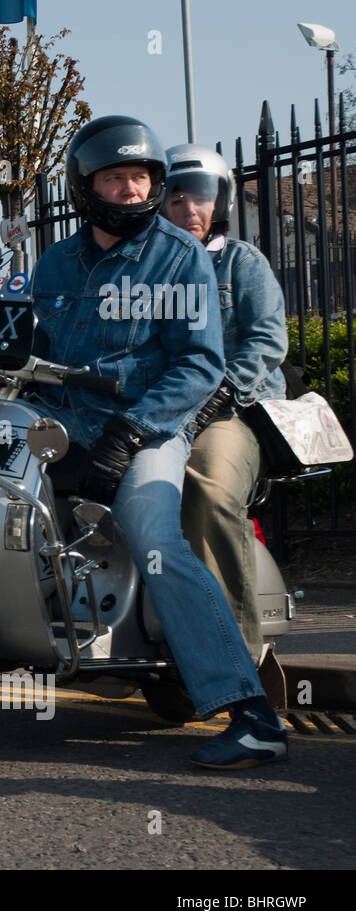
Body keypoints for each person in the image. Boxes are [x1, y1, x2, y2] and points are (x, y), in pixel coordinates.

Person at [28, 114, 287, 770]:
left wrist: (128, 433)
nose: (129, 190)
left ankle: (251, 712)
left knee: (156, 537)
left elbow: (200, 364)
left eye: (139, 177)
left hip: (147, 429)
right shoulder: (56, 262)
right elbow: (34, 350)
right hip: (63, 427)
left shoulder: (181, 256)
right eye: (113, 178)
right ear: (84, 186)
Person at [161, 144, 289, 666]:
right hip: (166, 410)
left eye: (203, 197)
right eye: (178, 197)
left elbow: (266, 340)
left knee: (209, 488)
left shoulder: (242, 262)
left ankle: (234, 658)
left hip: (233, 411)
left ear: (222, 204)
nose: (191, 209)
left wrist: (217, 393)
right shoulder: (151, 275)